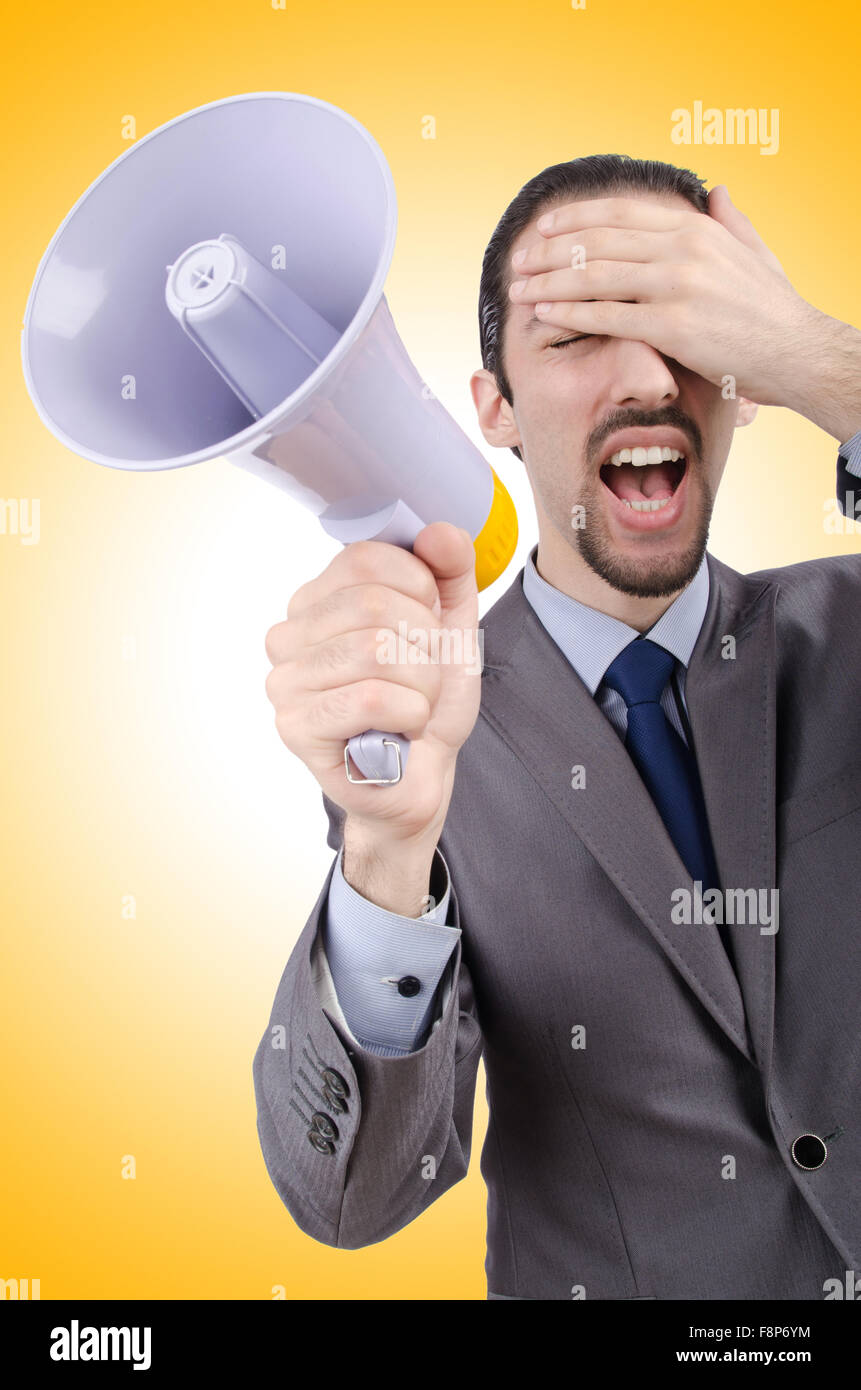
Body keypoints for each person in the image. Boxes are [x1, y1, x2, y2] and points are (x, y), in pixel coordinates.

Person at [254, 155, 861, 1300]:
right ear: (496, 407)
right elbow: (356, 1194)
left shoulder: (849, 627)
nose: (646, 374)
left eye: (685, 321)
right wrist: (387, 850)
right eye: (578, 333)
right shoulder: (422, 736)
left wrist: (823, 358)